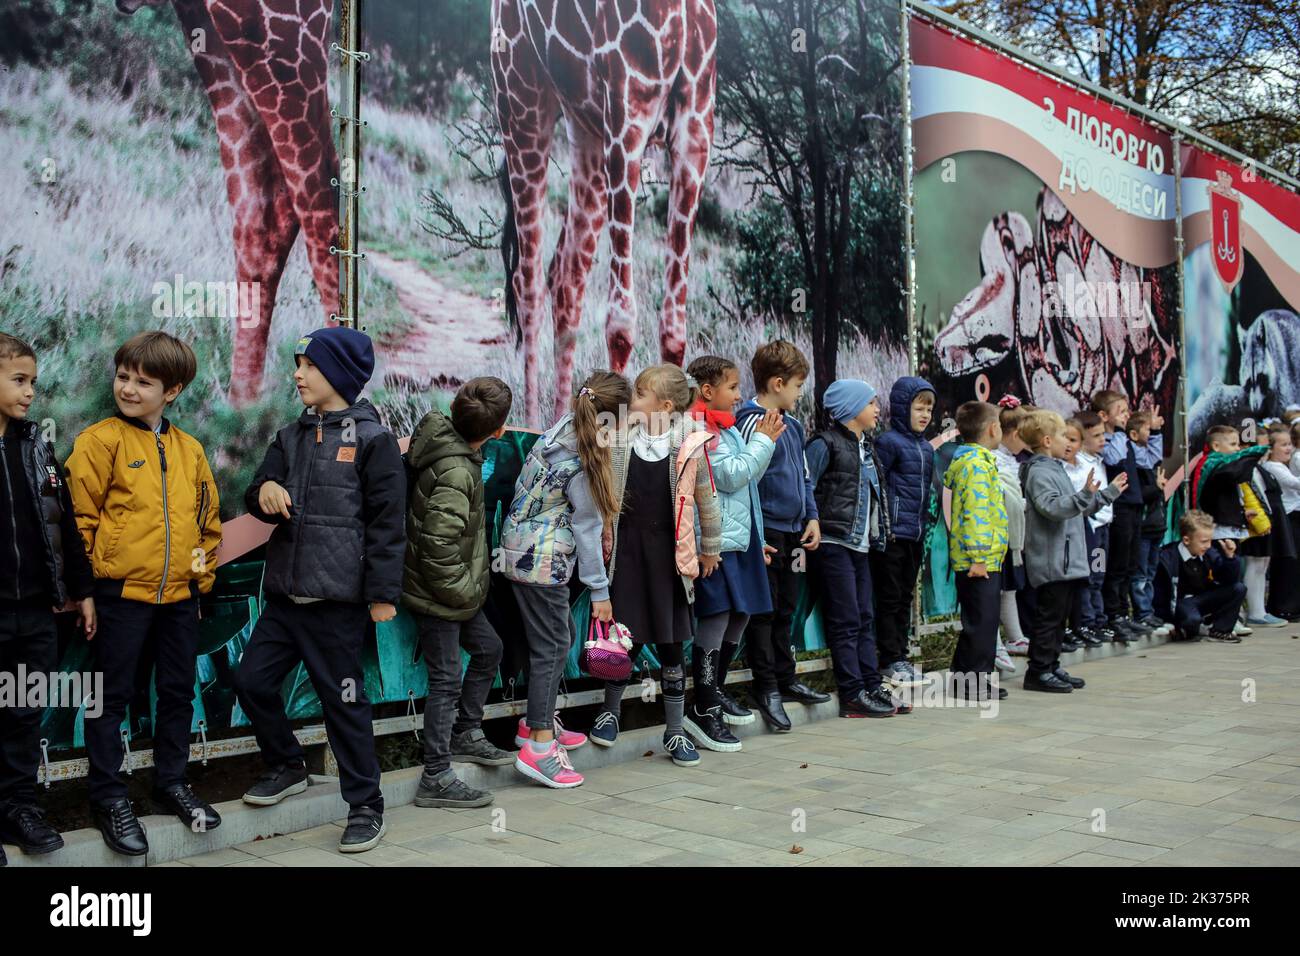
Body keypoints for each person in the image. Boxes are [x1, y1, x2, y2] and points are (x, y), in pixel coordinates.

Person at [236, 327, 406, 853]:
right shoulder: (289, 436)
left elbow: (388, 523)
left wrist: (383, 595)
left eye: (308, 365)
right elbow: (255, 489)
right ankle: (287, 764)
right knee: (252, 682)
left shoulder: (374, 441)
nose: (298, 374)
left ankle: (365, 806)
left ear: (338, 375)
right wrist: (263, 488)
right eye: (298, 364)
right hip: (286, 600)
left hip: (338, 607)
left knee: (344, 704)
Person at [67, 331, 223, 856]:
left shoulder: (190, 450)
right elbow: (78, 522)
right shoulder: (100, 441)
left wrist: (199, 583)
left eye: (144, 382)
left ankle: (170, 782)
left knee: (177, 692)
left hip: (179, 599)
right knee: (111, 698)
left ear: (172, 391)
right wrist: (86, 590)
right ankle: (109, 797)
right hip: (120, 596)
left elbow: (207, 525)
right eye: (123, 377)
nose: (128, 389)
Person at [500, 371, 630, 788]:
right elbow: (588, 531)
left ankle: (535, 723)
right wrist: (599, 590)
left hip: (519, 551)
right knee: (554, 648)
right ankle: (538, 747)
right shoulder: (584, 462)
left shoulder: (563, 428)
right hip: (543, 562)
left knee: (551, 643)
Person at [588, 365, 722, 766]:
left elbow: (706, 499)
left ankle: (676, 730)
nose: (634, 400)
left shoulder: (688, 444)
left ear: (664, 406)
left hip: (668, 558)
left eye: (642, 395)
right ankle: (610, 711)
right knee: (622, 637)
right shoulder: (620, 440)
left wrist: (711, 547)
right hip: (627, 553)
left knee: (670, 644)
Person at [0, 334, 95, 864]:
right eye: (19, 380)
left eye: (33, 381)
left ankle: (17, 806)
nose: (31, 392)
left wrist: (81, 592)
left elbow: (65, 523)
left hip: (35, 612)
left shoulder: (35, 445)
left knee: (21, 711)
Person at [402, 377, 516, 809]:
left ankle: (466, 732)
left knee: (489, 650)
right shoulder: (455, 469)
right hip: (441, 596)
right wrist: (464, 593)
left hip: (456, 592)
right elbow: (437, 545)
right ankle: (436, 774)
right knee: (446, 679)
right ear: (498, 431)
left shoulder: (456, 450)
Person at [685, 355, 783, 746]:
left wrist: (755, 539)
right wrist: (764, 440)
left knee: (740, 615)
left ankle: (715, 689)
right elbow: (728, 477)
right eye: (732, 387)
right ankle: (703, 705)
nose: (740, 395)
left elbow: (747, 479)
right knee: (717, 616)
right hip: (715, 543)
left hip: (738, 540)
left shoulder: (728, 429)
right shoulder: (699, 428)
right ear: (708, 391)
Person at [736, 341, 829, 732]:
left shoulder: (792, 423)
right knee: (764, 611)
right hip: (766, 533)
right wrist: (756, 534)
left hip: (794, 532)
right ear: (777, 383)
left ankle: (786, 678)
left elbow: (805, 475)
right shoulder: (749, 421)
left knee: (787, 607)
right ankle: (766, 687)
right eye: (797, 385)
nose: (799, 393)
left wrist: (812, 515)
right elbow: (743, 479)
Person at [806, 380, 906, 717]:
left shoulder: (867, 447)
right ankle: (852, 692)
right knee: (846, 619)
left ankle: (871, 683)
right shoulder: (825, 444)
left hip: (861, 547)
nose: (878, 409)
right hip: (833, 544)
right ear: (851, 408)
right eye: (871, 403)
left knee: (865, 617)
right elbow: (809, 489)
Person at [1018, 411, 1126, 693]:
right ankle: (1038, 671)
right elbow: (1053, 508)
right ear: (1045, 441)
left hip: (1065, 561)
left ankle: (1051, 665)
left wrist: (1107, 493)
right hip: (1052, 561)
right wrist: (1084, 495)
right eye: (1062, 436)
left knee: (1059, 618)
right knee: (1049, 618)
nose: (1067, 442)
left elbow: (1077, 507)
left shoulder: (1055, 468)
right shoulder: (1040, 472)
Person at [872, 377, 938, 690]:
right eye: (919, 407)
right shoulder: (888, 443)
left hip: (914, 534)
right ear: (902, 407)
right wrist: (886, 527)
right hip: (892, 536)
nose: (925, 414)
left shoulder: (926, 447)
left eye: (929, 408)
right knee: (889, 598)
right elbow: (877, 486)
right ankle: (888, 659)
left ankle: (899, 656)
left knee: (904, 598)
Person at [943, 401, 1010, 700]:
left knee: (981, 621)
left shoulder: (978, 462)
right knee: (981, 623)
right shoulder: (976, 466)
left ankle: (968, 678)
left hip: (983, 558)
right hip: (978, 560)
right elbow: (977, 513)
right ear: (993, 428)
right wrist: (980, 557)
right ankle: (973, 682)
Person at [1093, 390, 1161, 641]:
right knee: (1116, 566)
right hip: (1118, 509)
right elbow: (1114, 458)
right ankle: (1113, 615)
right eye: (1121, 411)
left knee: (1131, 564)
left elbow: (1149, 460)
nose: (1126, 415)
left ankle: (1124, 612)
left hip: (1134, 508)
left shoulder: (1125, 441)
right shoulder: (1110, 442)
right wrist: (1120, 434)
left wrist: (1153, 433)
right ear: (1104, 416)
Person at [1062, 412, 1116, 647]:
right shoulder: (1064, 468)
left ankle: (1097, 621)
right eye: (1065, 439)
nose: (1068, 445)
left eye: (1073, 440)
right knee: (1086, 578)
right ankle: (1084, 622)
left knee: (1098, 575)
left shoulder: (1092, 462)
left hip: (1101, 529)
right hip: (1085, 529)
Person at [1152, 511, 1246, 643]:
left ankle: (1220, 630)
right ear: (1186, 540)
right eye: (1204, 542)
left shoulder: (1209, 553)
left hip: (1200, 600)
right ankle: (1191, 628)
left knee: (1238, 588)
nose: (1208, 546)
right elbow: (1160, 594)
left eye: (1209, 541)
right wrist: (1165, 620)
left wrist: (1230, 558)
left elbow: (1228, 580)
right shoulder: (1168, 558)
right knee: (1192, 619)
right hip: (1181, 603)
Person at [994, 398, 1031, 659]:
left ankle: (1015, 637)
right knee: (995, 590)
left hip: (1010, 536)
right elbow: (1007, 499)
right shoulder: (995, 459)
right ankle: (994, 641)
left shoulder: (1010, 459)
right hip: (996, 535)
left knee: (1009, 588)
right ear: (1016, 433)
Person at [1260, 426, 1300, 621]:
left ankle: (1288, 605)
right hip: (1286, 517)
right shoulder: (1272, 467)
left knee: (1291, 563)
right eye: (1283, 445)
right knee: (1286, 563)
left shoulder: (1282, 465)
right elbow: (1295, 484)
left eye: (1290, 444)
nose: (1289, 449)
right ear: (1271, 447)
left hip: (1291, 516)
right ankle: (1283, 606)